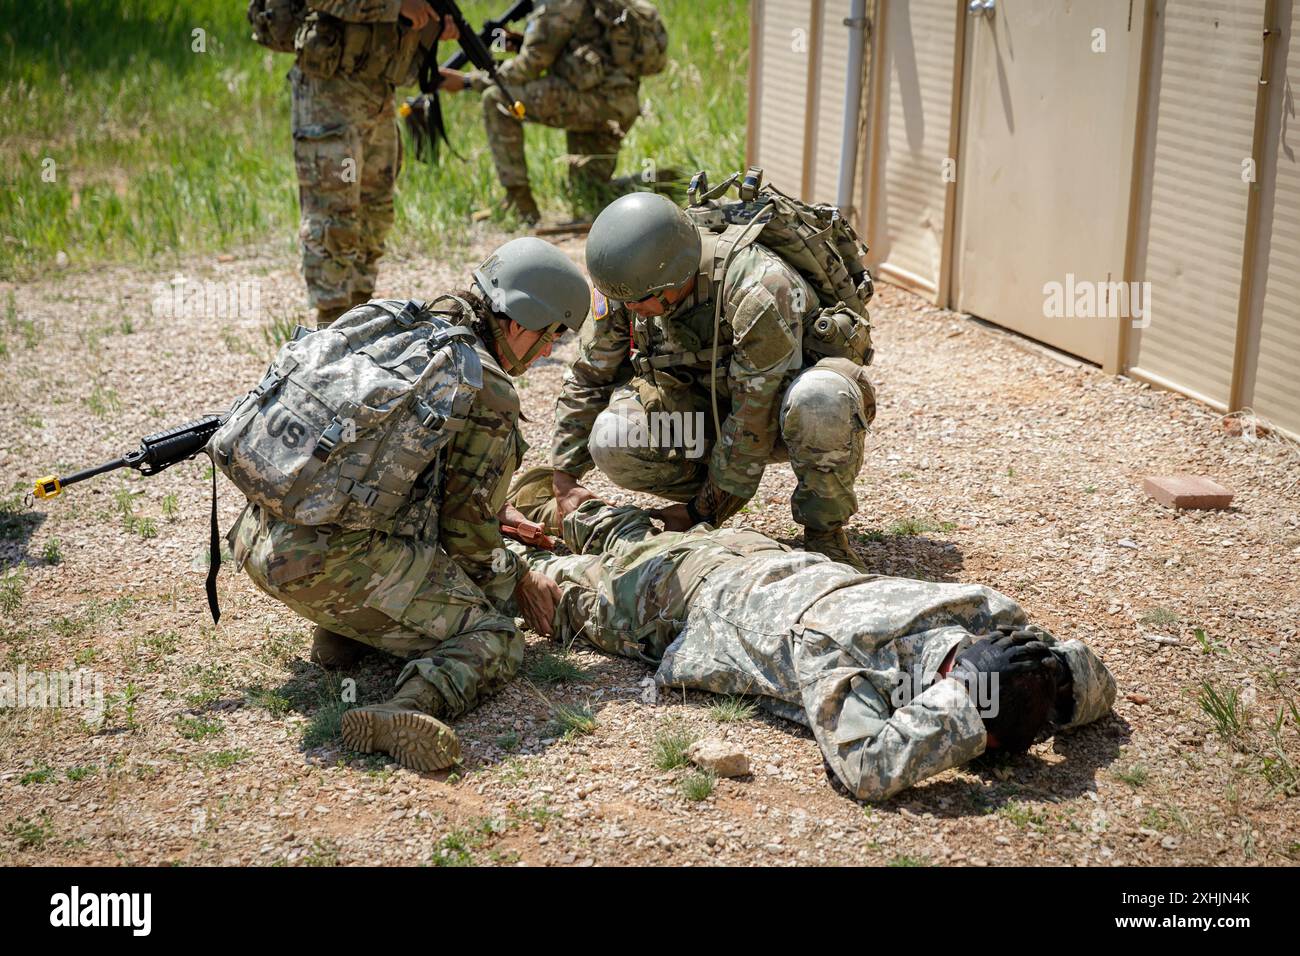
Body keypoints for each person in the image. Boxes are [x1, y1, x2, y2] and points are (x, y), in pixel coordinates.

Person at [505, 470, 1117, 801]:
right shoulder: (844, 653)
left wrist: (1054, 682)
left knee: (622, 531)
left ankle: (553, 504)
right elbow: (867, 768)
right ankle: (490, 531)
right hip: (677, 597)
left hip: (750, 556)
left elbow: (1090, 672)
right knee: (542, 590)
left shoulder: (979, 612)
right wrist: (969, 712)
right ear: (944, 684)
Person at [226, 239, 588, 771]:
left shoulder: (396, 323)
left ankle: (347, 633)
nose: (545, 355)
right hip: (327, 563)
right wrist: (518, 581)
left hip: (259, 540)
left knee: (420, 577)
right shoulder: (485, 386)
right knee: (491, 637)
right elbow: (468, 537)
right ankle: (403, 709)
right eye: (550, 338)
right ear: (519, 324)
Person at [550, 192, 877, 570]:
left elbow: (752, 418)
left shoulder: (758, 287)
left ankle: (825, 534)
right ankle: (709, 490)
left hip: (782, 415)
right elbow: (590, 375)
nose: (633, 310)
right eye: (627, 301)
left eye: (644, 300)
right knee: (614, 438)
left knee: (820, 398)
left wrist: (699, 514)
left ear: (679, 273)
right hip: (708, 414)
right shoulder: (628, 287)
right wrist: (564, 475)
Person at [289, 0, 455, 328]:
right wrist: (396, 5)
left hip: (379, 88)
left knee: (375, 211)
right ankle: (330, 330)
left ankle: (358, 319)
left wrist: (437, 21)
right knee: (334, 213)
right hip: (330, 90)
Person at [437, 0, 667, 223]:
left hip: (590, 102)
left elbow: (530, 66)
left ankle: (520, 205)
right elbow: (579, 47)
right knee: (589, 194)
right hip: (618, 105)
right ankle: (660, 185)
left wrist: (468, 82)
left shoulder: (560, 4)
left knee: (496, 99)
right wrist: (518, 42)